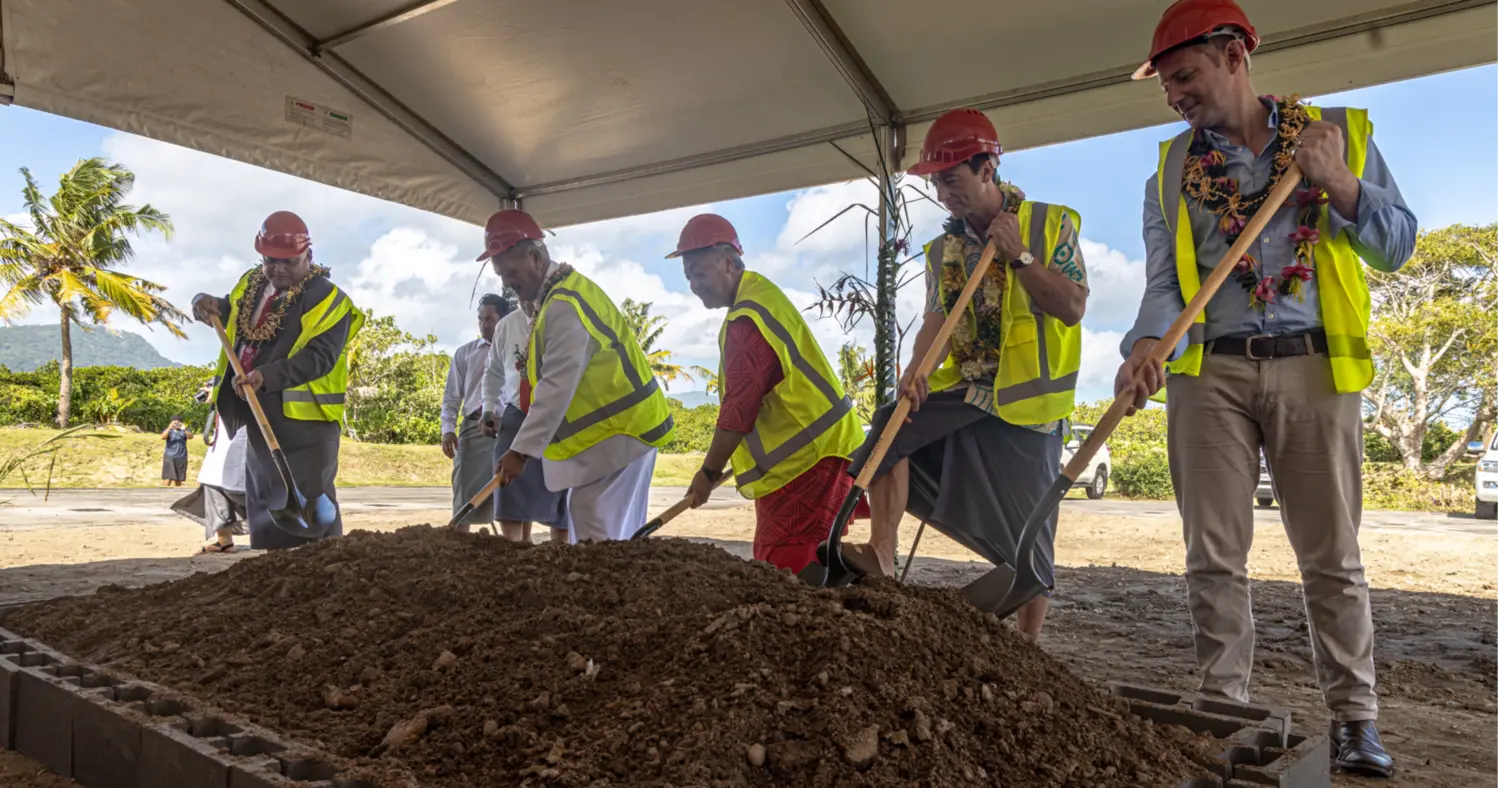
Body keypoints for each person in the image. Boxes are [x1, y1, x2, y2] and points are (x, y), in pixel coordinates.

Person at [1114, 0, 1416, 776]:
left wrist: (1340, 184)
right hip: (1208, 371)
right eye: (1167, 87)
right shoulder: (1172, 170)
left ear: (1234, 57)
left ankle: (1355, 718)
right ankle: (1223, 703)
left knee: (1331, 556)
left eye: (1185, 76)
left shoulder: (1335, 134)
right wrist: (1145, 343)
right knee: (1212, 553)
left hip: (1313, 366)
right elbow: (1162, 283)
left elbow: (1397, 244)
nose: (1176, 95)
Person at [825, 107, 1088, 642]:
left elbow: (1072, 307)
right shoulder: (943, 251)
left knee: (1030, 533)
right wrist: (915, 373)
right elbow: (936, 320)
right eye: (936, 182)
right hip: (967, 385)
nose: (944, 193)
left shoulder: (1051, 223)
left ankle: (1029, 644)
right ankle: (880, 552)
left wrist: (1020, 256)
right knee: (889, 426)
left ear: (987, 168)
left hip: (1030, 400)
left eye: (952, 179)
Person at [674, 214, 865, 573]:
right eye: (687, 276)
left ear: (728, 261)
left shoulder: (748, 320)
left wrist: (708, 473)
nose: (693, 285)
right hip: (816, 453)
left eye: (698, 272)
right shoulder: (760, 294)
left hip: (809, 461)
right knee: (809, 559)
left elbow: (738, 412)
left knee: (788, 564)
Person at [478, 209, 675, 543]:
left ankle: (611, 593)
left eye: (511, 272)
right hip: (613, 437)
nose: (507, 284)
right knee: (598, 528)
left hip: (623, 432)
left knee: (594, 526)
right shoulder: (551, 300)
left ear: (536, 256)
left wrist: (519, 452)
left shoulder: (564, 306)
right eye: (501, 275)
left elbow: (556, 388)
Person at [190, 210, 365, 551]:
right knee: (268, 507)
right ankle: (272, 583)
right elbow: (232, 313)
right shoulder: (251, 283)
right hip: (260, 417)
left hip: (307, 429)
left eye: (289, 261)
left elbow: (320, 358)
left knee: (312, 518)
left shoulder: (331, 300)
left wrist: (265, 376)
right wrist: (205, 303)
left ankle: (321, 584)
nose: (278, 268)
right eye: (270, 260)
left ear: (309, 256)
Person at [481, 292, 570, 544]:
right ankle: (513, 547)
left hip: (560, 412)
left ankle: (560, 551)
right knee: (505, 471)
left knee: (565, 481)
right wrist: (488, 409)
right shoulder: (506, 326)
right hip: (517, 410)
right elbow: (493, 372)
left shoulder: (564, 320)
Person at [441, 293, 505, 533]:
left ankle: (518, 543)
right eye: (480, 319)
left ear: (504, 319)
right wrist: (448, 431)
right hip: (471, 429)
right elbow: (451, 397)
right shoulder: (465, 353)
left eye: (489, 319)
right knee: (464, 492)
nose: (484, 325)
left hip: (506, 428)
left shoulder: (517, 351)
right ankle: (460, 545)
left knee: (512, 492)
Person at [172, 382, 249, 553]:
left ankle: (274, 541)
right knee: (212, 485)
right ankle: (224, 541)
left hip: (243, 435)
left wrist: (220, 392)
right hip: (222, 439)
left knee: (245, 490)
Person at [159, 415, 192, 487]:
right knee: (168, 477)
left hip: (181, 456)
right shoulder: (169, 430)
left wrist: (184, 428)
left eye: (178, 422)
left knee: (178, 478)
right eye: (175, 422)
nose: (176, 424)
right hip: (170, 456)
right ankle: (164, 493)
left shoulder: (184, 430)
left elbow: (190, 437)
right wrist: (169, 427)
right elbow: (162, 437)